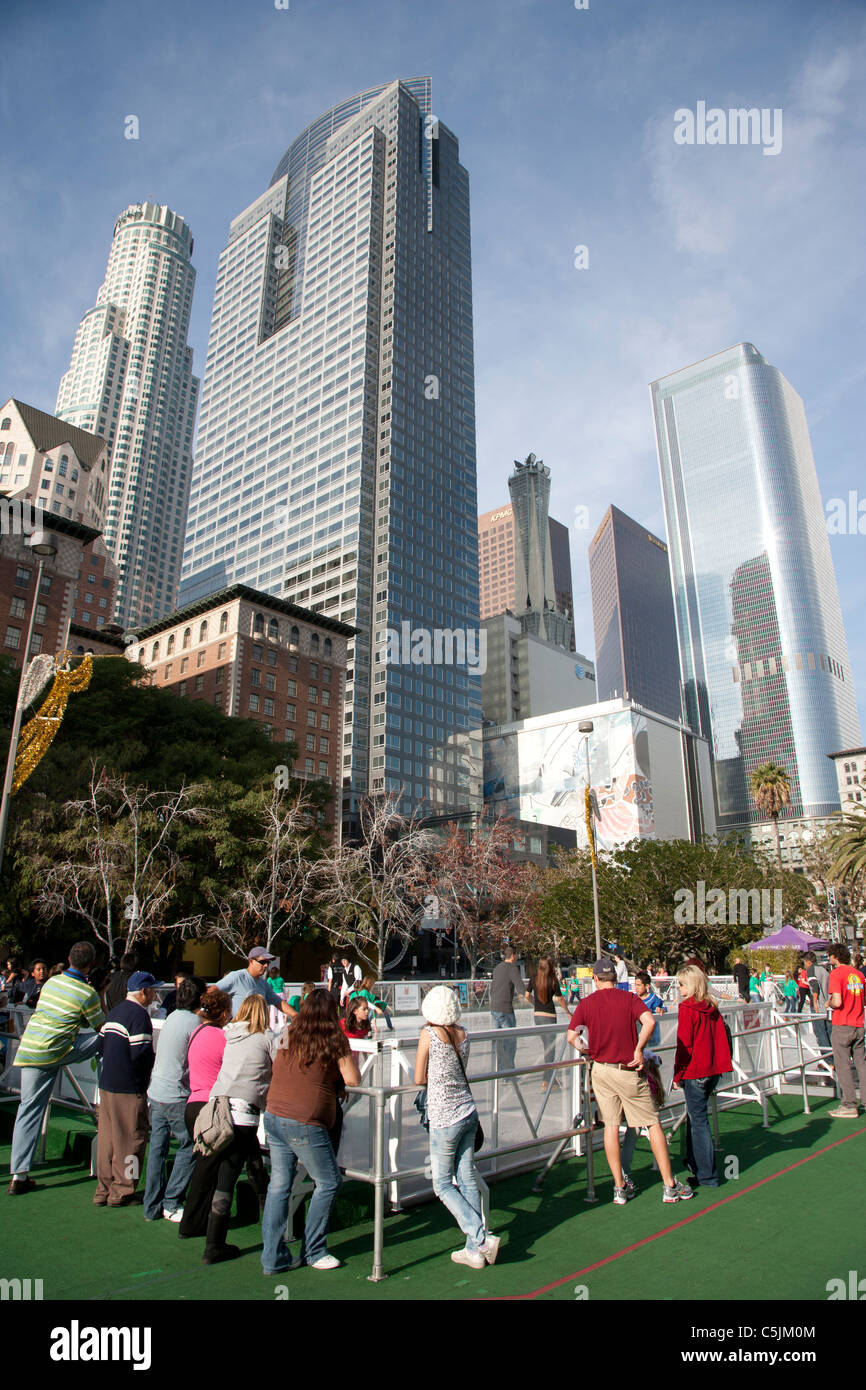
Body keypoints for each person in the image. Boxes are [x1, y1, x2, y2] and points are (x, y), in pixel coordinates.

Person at [566, 958, 694, 1205]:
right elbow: (650, 1021)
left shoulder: (587, 1003)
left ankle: (619, 1186)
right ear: (615, 978)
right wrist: (638, 1049)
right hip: (627, 1069)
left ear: (595, 979)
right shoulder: (629, 999)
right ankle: (669, 1185)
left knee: (611, 1126)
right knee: (651, 1123)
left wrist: (588, 1050)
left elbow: (572, 1036)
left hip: (601, 1070)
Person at [261, 989, 361, 1274]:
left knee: (279, 1186)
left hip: (274, 1114)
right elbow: (353, 1077)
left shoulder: (289, 1033)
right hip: (304, 1120)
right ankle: (314, 1249)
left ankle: (272, 1257)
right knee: (328, 1181)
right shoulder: (333, 1037)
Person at [8, 941, 106, 1195]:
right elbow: (100, 1025)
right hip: (54, 1052)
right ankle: (106, 1100)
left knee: (27, 1110)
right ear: (91, 965)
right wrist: (100, 992)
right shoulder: (87, 993)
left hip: (30, 1049)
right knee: (107, 1037)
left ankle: (19, 1175)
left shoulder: (51, 983)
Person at [414, 985, 500, 1269]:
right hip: (467, 1111)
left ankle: (479, 1236)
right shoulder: (464, 1034)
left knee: (441, 1184)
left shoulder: (428, 1034)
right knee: (466, 1179)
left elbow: (418, 1077)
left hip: (444, 1116)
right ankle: (474, 1251)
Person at [193, 994, 275, 1265]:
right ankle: (271, 1232)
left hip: (220, 1108)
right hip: (244, 1115)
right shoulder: (266, 1038)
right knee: (243, 1172)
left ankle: (215, 1242)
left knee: (238, 1171)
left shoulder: (230, 1035)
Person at [143, 975, 206, 1223]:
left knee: (157, 1150)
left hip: (156, 1090)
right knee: (190, 1145)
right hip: (176, 1094)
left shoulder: (170, 1018)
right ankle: (171, 1201)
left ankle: (151, 1205)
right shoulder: (196, 1023)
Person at [95, 971, 157, 1207]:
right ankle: (124, 1190)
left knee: (107, 1140)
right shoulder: (139, 1016)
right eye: (152, 990)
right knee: (132, 1139)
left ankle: (104, 1189)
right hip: (129, 1088)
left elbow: (100, 1045)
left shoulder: (115, 1012)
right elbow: (140, 1055)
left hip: (107, 1084)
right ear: (143, 992)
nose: (153, 994)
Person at [177, 988, 233, 1238]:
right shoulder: (222, 1038)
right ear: (223, 1013)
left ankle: (198, 1220)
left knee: (207, 1166)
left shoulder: (197, 1033)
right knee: (206, 1168)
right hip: (208, 1108)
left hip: (193, 1105)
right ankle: (192, 1223)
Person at [671, 965, 733, 1188]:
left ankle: (707, 1174)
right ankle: (696, 1165)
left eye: (682, 984)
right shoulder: (711, 1006)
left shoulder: (688, 1008)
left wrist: (677, 1074)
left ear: (692, 985)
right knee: (697, 1118)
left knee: (698, 1122)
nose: (679, 989)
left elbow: (684, 1044)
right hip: (712, 1069)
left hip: (696, 1070)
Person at [826, 943, 866, 1119]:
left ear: (835, 957)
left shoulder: (836, 974)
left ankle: (849, 1104)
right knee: (861, 1064)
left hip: (843, 1023)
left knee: (843, 1065)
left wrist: (828, 1004)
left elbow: (837, 1001)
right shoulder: (858, 974)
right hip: (859, 1023)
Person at [214, 947, 296, 1021]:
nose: (266, 965)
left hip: (257, 1033)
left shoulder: (264, 984)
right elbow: (211, 992)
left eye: (268, 962)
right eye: (263, 962)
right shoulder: (237, 977)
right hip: (238, 1034)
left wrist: (296, 1016)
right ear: (251, 961)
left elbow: (279, 1002)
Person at [524, 956, 570, 1089]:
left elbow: (527, 995)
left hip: (537, 1016)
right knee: (550, 1050)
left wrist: (536, 1004)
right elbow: (560, 999)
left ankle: (550, 1078)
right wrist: (568, 1012)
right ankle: (546, 1080)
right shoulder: (553, 980)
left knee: (547, 1048)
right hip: (549, 1015)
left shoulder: (533, 978)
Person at [490, 946, 526, 1074]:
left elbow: (493, 987)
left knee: (500, 1042)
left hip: (494, 1008)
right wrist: (536, 1002)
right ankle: (508, 1073)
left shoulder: (497, 968)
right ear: (513, 956)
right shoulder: (512, 968)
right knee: (509, 1042)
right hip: (505, 1009)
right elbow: (522, 989)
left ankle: (500, 1070)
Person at [804, 951, 831, 1051]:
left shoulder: (811, 970)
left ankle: (828, 1061)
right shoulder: (824, 970)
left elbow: (815, 986)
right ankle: (834, 1058)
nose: (805, 965)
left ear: (809, 962)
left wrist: (815, 1003)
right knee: (829, 1032)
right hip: (828, 1006)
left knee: (820, 1033)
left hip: (819, 1006)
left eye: (805, 962)